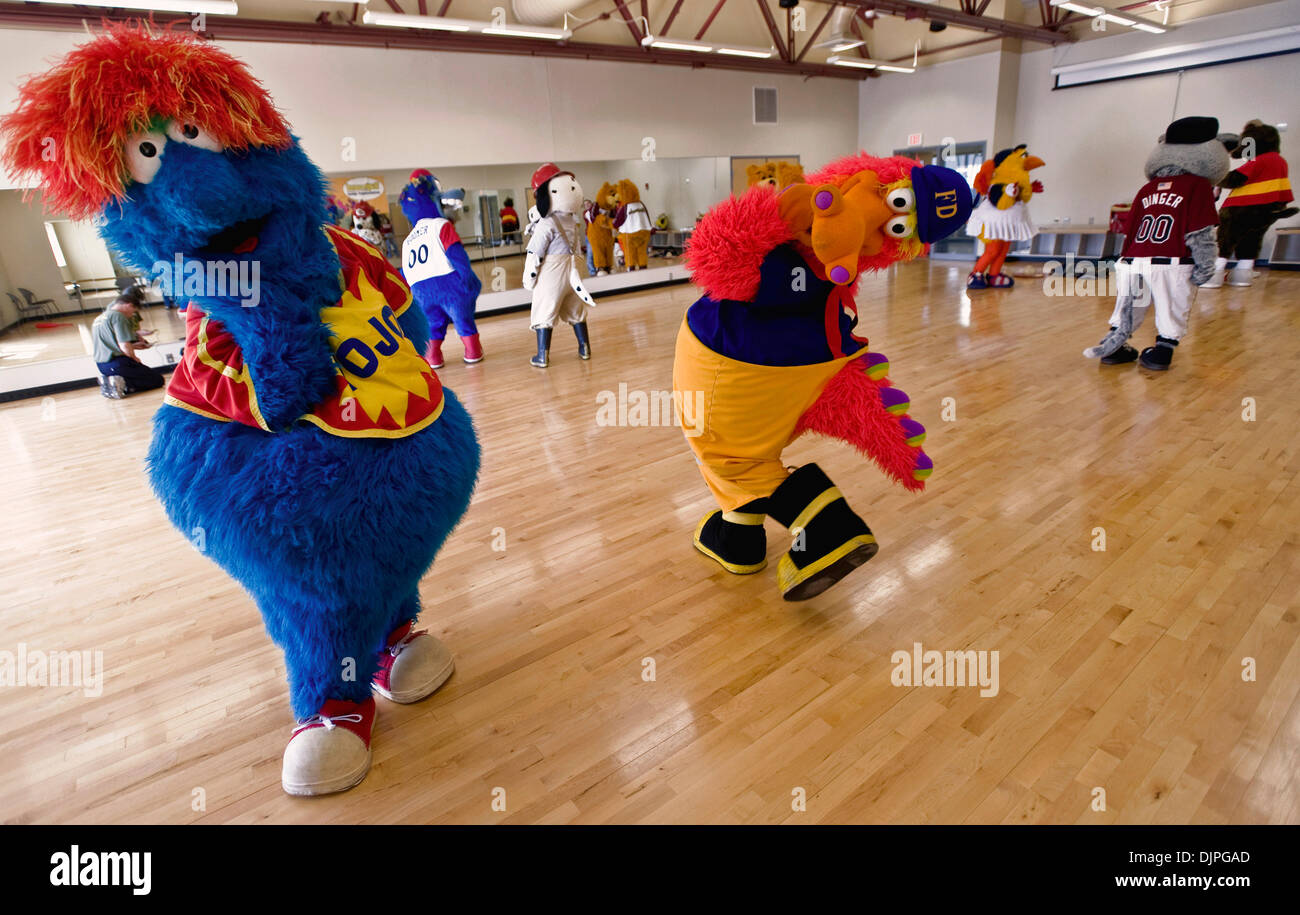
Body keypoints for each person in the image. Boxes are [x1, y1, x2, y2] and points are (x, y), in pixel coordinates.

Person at [92, 290, 165, 398]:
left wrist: (134, 346)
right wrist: (134, 358)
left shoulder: (100, 318)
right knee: (157, 380)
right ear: (129, 305)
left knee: (139, 375)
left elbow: (111, 344)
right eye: (132, 312)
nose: (131, 315)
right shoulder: (118, 316)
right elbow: (124, 345)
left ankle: (112, 381)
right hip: (117, 363)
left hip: (102, 365)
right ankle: (124, 385)